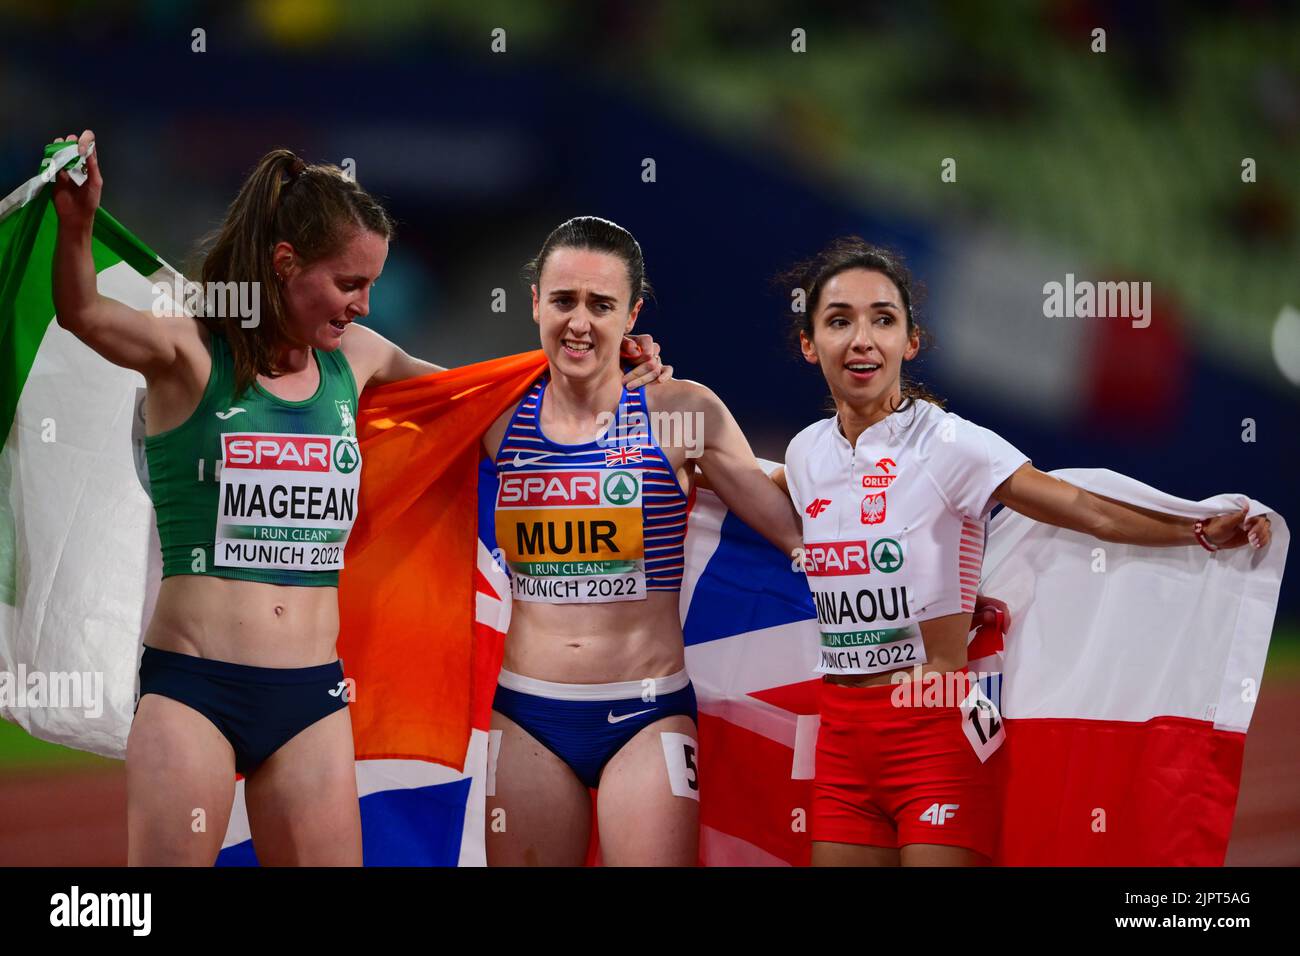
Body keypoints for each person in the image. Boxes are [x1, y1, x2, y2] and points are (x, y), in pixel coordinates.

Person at [49, 131, 668, 866]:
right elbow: (82, 311)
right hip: (194, 689)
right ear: (286, 265)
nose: (363, 303)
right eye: (348, 283)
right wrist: (78, 223)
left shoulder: (359, 359)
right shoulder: (187, 350)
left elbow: (475, 397)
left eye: (370, 284)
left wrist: (607, 363)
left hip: (311, 699)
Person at [774, 236, 1272, 867]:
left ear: (912, 341)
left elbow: (1081, 507)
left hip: (933, 732)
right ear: (809, 343)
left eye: (884, 319)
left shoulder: (952, 445)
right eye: (839, 321)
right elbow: (739, 476)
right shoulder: (805, 453)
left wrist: (1193, 529)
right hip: (842, 735)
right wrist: (656, 412)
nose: (862, 339)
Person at [483, 216, 805, 866]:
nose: (580, 322)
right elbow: (373, 389)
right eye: (564, 300)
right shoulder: (488, 413)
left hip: (646, 712)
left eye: (601, 305)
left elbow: (796, 532)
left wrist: (931, 591)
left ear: (631, 313)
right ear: (535, 302)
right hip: (526, 715)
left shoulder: (680, 413)